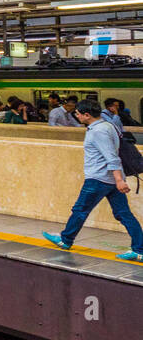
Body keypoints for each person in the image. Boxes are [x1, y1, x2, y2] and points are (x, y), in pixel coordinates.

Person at [43, 100, 143, 262]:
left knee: (80, 209)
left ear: (87, 115)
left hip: (99, 179)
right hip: (108, 179)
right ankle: (140, 250)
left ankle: (65, 239)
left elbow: (112, 157)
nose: (76, 116)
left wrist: (119, 180)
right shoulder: (108, 125)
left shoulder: (99, 131)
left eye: (78, 113)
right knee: (123, 214)